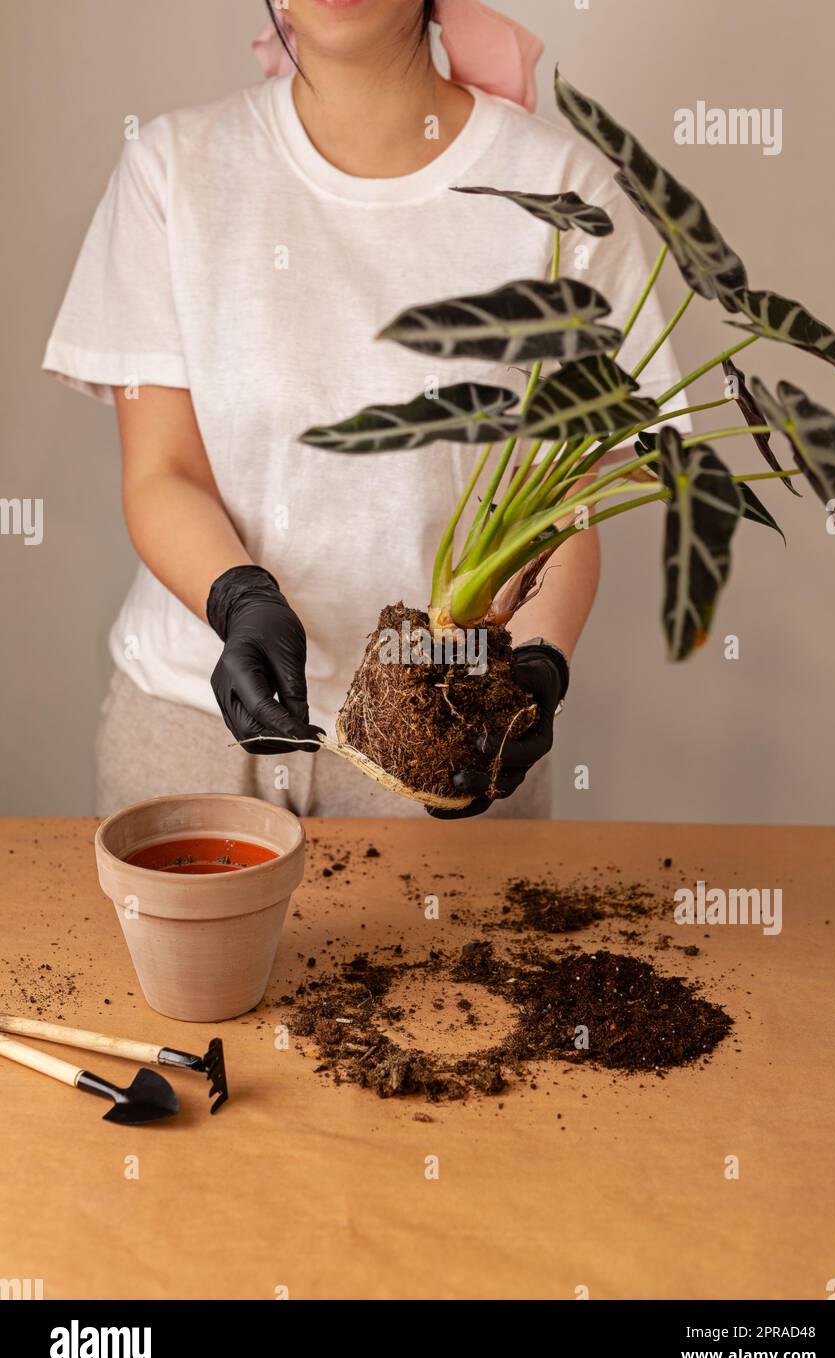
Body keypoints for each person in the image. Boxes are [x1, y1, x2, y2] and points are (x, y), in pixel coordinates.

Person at [43, 0, 688, 819]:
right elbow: (162, 471)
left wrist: (538, 665)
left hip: (449, 736)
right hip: (191, 732)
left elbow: (563, 509)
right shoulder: (174, 168)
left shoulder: (564, 194)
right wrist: (238, 600)